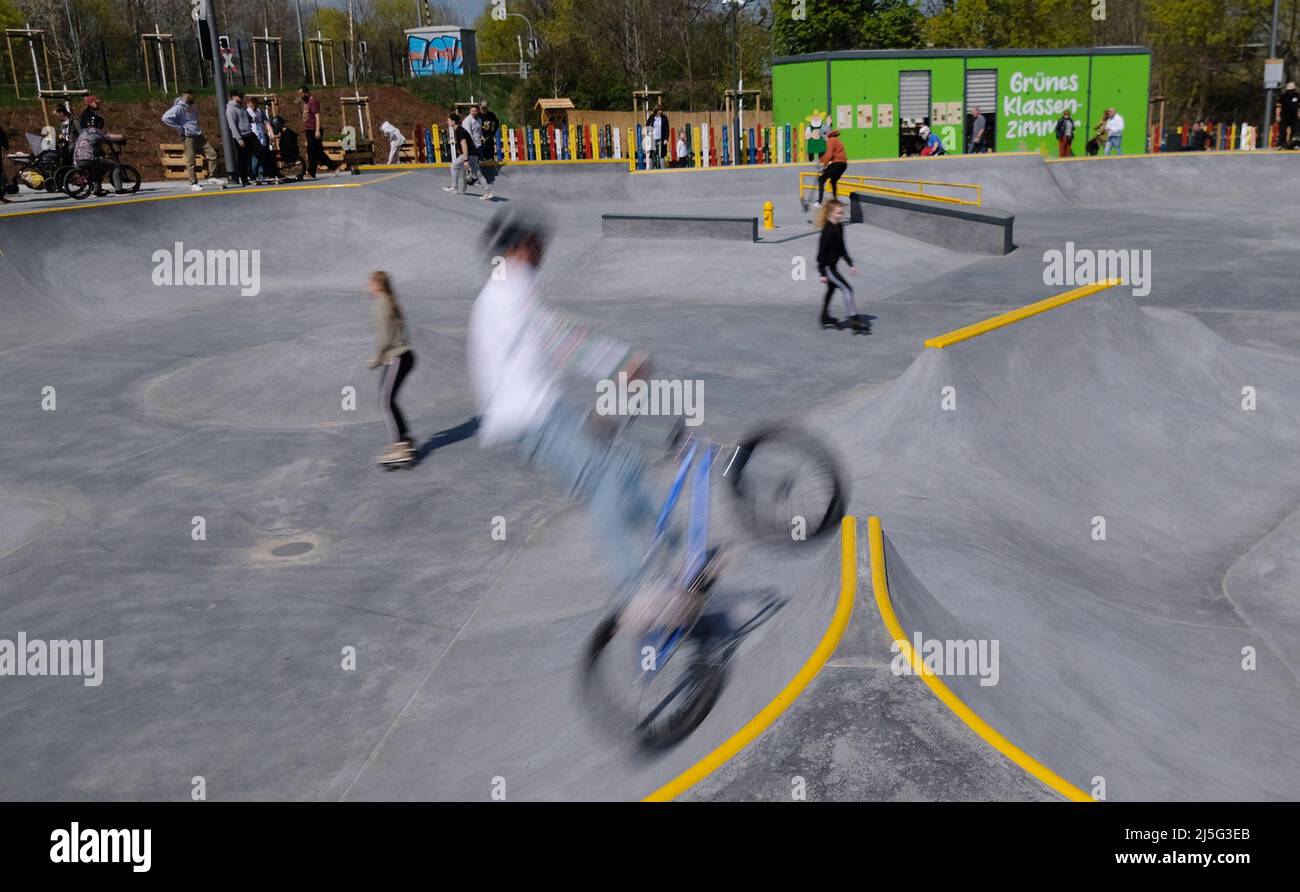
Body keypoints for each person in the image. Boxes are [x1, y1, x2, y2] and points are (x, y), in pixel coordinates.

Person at [468, 206, 695, 630]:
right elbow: (561, 341)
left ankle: (679, 553)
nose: (541, 258)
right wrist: (622, 363)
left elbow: (544, 346)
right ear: (517, 249)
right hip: (529, 418)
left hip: (547, 410)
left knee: (625, 465)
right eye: (537, 249)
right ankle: (637, 592)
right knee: (604, 483)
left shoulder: (500, 291)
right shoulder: (507, 287)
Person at [367, 271, 417, 465]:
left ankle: (400, 445)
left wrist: (378, 358)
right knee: (390, 400)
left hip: (396, 357)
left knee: (385, 402)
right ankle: (404, 439)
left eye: (370, 284)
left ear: (378, 286)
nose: (367, 287)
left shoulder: (380, 305)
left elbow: (383, 338)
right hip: (405, 355)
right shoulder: (390, 301)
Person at [815, 200, 867, 332]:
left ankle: (824, 317)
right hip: (828, 268)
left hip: (833, 266)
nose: (841, 215)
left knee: (831, 290)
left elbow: (842, 248)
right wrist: (822, 272)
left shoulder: (839, 227)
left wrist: (850, 263)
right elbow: (821, 253)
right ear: (831, 213)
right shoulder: (827, 230)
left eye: (842, 212)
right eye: (839, 213)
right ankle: (854, 319)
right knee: (847, 289)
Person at [162, 90, 226, 191]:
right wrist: (180, 128)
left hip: (198, 134)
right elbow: (165, 118)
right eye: (191, 95)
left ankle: (212, 177)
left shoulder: (192, 106)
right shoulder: (179, 108)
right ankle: (193, 183)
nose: (192, 97)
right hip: (188, 136)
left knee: (212, 154)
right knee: (191, 160)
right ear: (185, 95)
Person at [72, 123, 125, 197]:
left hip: (77, 159)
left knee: (98, 169)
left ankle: (97, 191)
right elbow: (110, 137)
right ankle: (119, 190)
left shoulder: (83, 132)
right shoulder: (98, 132)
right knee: (116, 165)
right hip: (89, 159)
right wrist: (122, 137)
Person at [298, 85, 337, 179]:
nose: (300, 96)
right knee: (318, 152)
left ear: (306, 93)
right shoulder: (306, 103)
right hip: (309, 131)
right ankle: (334, 167)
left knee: (311, 152)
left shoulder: (313, 102)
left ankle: (311, 173)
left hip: (314, 130)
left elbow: (317, 117)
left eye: (301, 94)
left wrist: (317, 131)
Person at [815, 128, 847, 206]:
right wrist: (822, 162)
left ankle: (820, 202)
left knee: (821, 179)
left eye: (823, 135)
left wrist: (823, 165)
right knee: (833, 181)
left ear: (827, 134)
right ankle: (835, 200)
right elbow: (830, 155)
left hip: (837, 163)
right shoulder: (837, 140)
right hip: (843, 164)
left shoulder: (831, 140)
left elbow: (828, 155)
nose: (823, 138)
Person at [246, 96, 274, 183]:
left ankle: (260, 174)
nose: (253, 107)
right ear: (248, 104)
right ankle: (253, 174)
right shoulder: (246, 112)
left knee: (261, 157)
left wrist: (271, 134)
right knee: (255, 158)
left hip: (261, 137)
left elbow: (266, 123)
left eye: (255, 105)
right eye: (252, 105)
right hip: (251, 137)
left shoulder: (260, 112)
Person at [442, 112, 472, 195]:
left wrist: (465, 159)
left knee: (453, 166)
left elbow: (464, 144)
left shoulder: (459, 130)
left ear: (453, 121)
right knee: (462, 169)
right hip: (469, 153)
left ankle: (454, 188)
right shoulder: (459, 129)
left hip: (468, 153)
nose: (447, 122)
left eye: (448, 120)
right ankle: (463, 189)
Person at [464, 104, 483, 184]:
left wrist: (482, 137)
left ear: (478, 111)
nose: (474, 112)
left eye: (475, 111)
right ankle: (468, 178)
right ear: (470, 111)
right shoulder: (467, 120)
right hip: (471, 145)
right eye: (472, 111)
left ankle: (474, 178)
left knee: (476, 161)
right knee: (471, 162)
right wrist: (473, 144)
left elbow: (479, 131)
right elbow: (468, 134)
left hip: (478, 144)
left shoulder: (479, 120)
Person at [1280, 82, 1300, 148]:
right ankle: (1282, 144)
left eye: (1291, 90)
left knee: (1295, 131)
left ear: (1294, 89)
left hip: (1294, 117)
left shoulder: (1298, 96)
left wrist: (1299, 113)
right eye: (1289, 90)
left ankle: (1293, 144)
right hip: (1284, 116)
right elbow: (1278, 106)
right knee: (1283, 131)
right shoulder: (1283, 96)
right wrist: (1277, 115)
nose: (1290, 92)